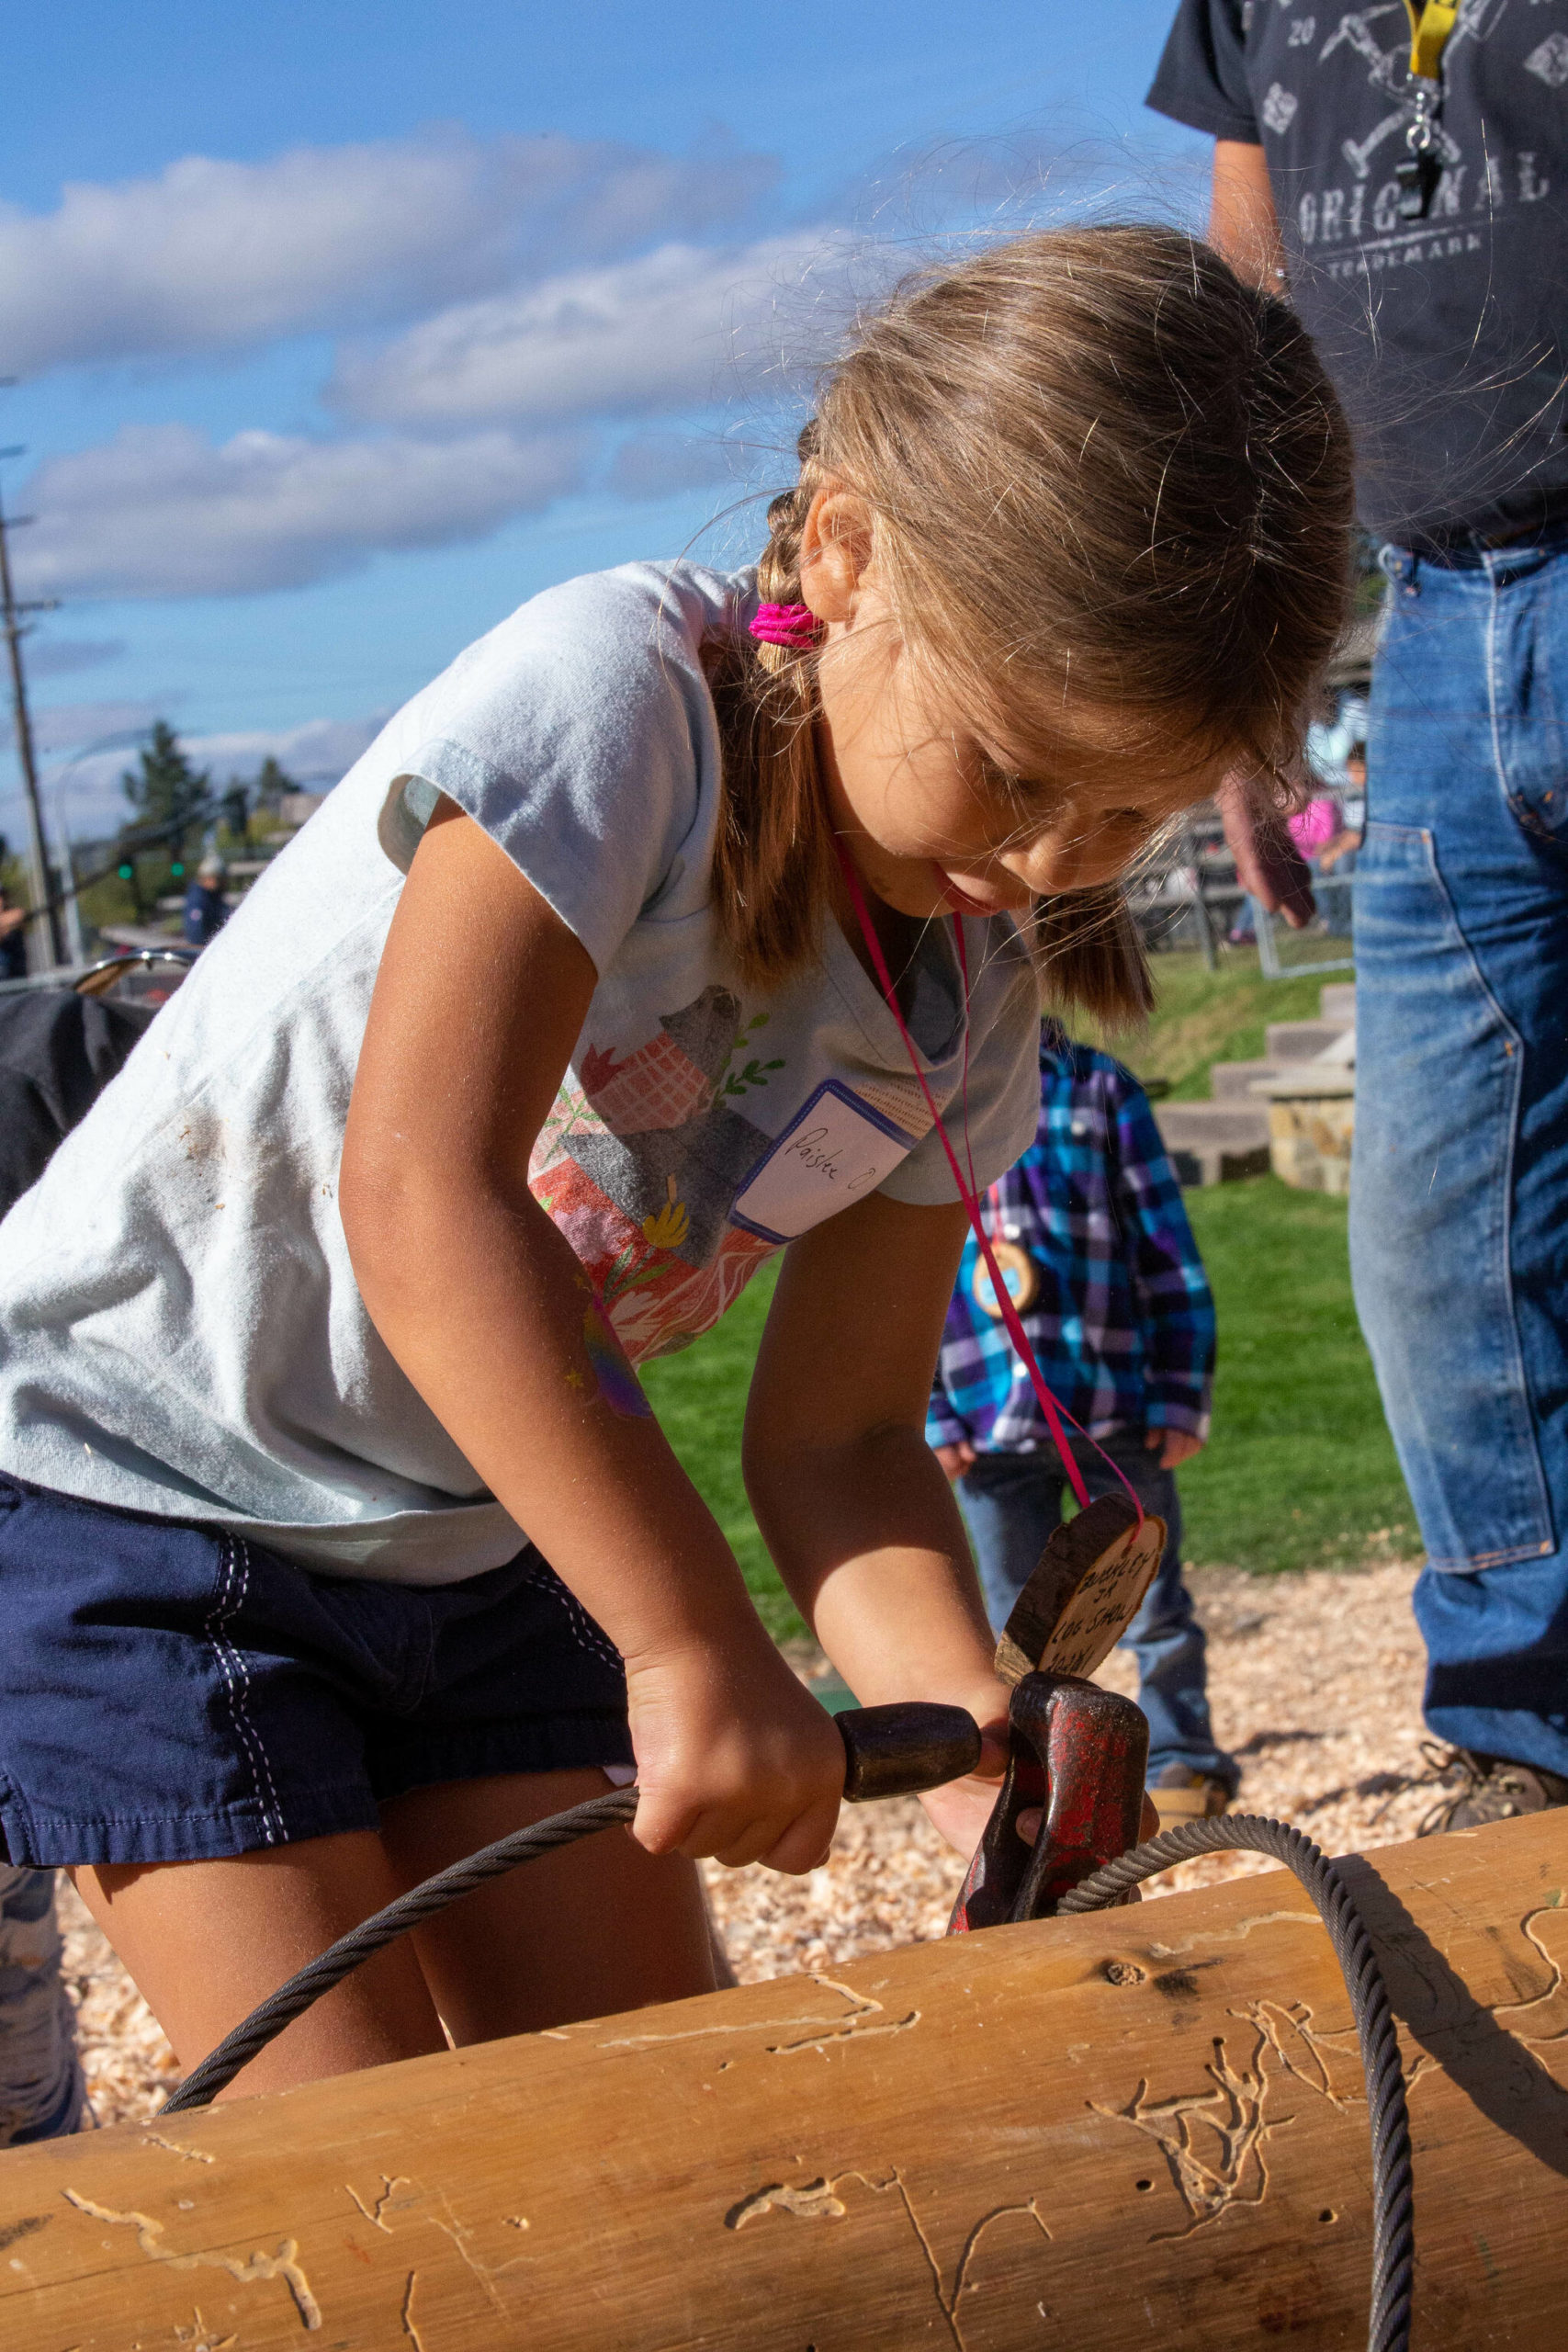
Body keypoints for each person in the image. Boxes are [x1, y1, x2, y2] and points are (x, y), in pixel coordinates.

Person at [0, 225, 1353, 2100]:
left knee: (662, 2121)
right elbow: (422, 1197)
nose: (1053, 862)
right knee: (357, 2182)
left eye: (1123, 807)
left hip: (479, 1527)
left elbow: (839, 1440)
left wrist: (964, 1717)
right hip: (140, 1491)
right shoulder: (615, 702)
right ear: (842, 546)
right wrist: (686, 1634)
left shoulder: (963, 1002)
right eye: (1016, 769)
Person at [1149, 4, 1568, 1825]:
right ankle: (1526, 1729)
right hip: (1427, 603)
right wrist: (1248, 664)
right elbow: (1249, 302)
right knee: (1433, 1210)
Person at [927, 1025, 1235, 1824]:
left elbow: (1167, 1250)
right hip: (985, 1419)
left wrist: (1177, 1392)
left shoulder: (1099, 1089)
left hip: (1113, 1410)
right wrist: (931, 1412)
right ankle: (1049, 1785)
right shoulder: (918, 1091)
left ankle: (1181, 1757)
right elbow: (885, 1299)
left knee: (1152, 1604)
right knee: (1019, 1633)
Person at [182, 854, 229, 947]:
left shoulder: (213, 897)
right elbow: (195, 929)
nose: (223, 883)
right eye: (219, 879)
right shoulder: (198, 899)